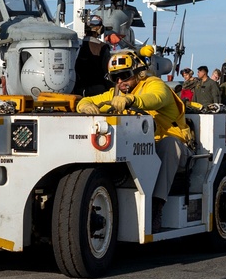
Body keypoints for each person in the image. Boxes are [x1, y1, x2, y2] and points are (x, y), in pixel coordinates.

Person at [76, 49, 195, 229]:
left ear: (138, 72)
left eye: (124, 75)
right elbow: (86, 101)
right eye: (115, 77)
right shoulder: (117, 93)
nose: (120, 81)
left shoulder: (154, 84)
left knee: (169, 145)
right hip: (143, 149)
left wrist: (132, 100)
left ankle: (156, 206)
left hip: (174, 150)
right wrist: (85, 106)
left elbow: (156, 98)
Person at [72, 14, 112, 96]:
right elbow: (107, 71)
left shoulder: (76, 45)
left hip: (77, 89)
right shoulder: (102, 47)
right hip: (97, 90)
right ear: (100, 29)